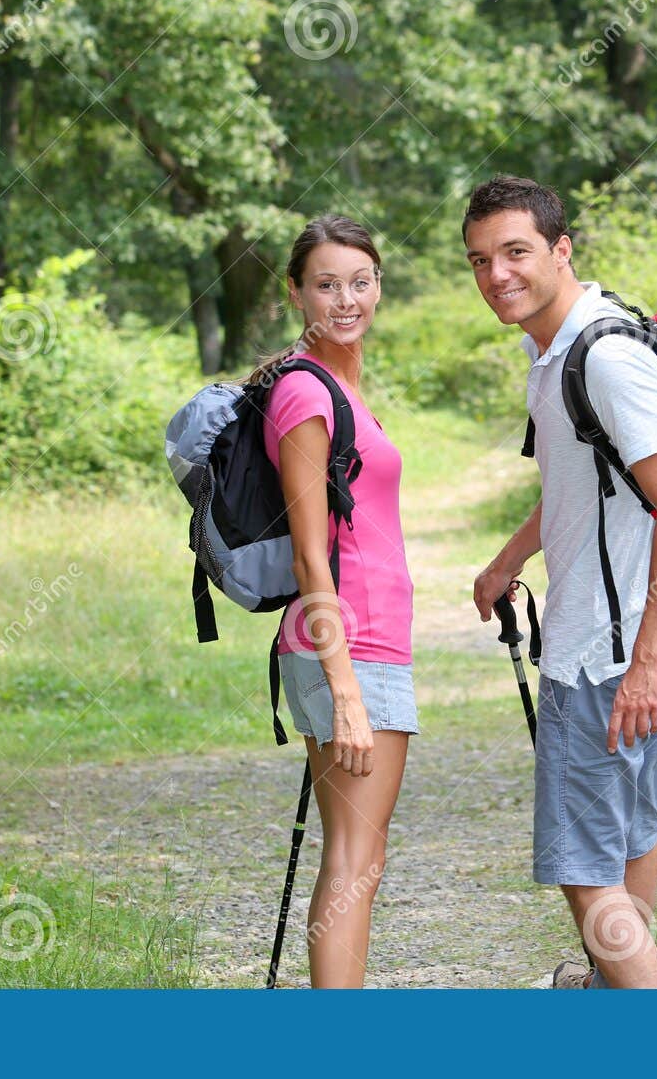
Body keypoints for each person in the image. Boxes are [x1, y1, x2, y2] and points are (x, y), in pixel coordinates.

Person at [466, 177, 657, 989]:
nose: (497, 274)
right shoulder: (557, 350)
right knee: (629, 837)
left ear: (561, 250)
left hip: (609, 655)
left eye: (516, 252)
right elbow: (582, 483)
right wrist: (510, 559)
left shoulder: (604, 357)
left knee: (583, 867)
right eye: (480, 260)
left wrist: (643, 658)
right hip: (648, 638)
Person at [256, 214, 416, 988]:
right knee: (354, 859)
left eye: (359, 281)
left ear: (378, 285)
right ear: (297, 293)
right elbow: (307, 550)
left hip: (372, 643)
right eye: (326, 284)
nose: (345, 299)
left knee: (363, 855)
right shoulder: (302, 392)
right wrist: (344, 688)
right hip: (344, 645)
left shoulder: (341, 383)